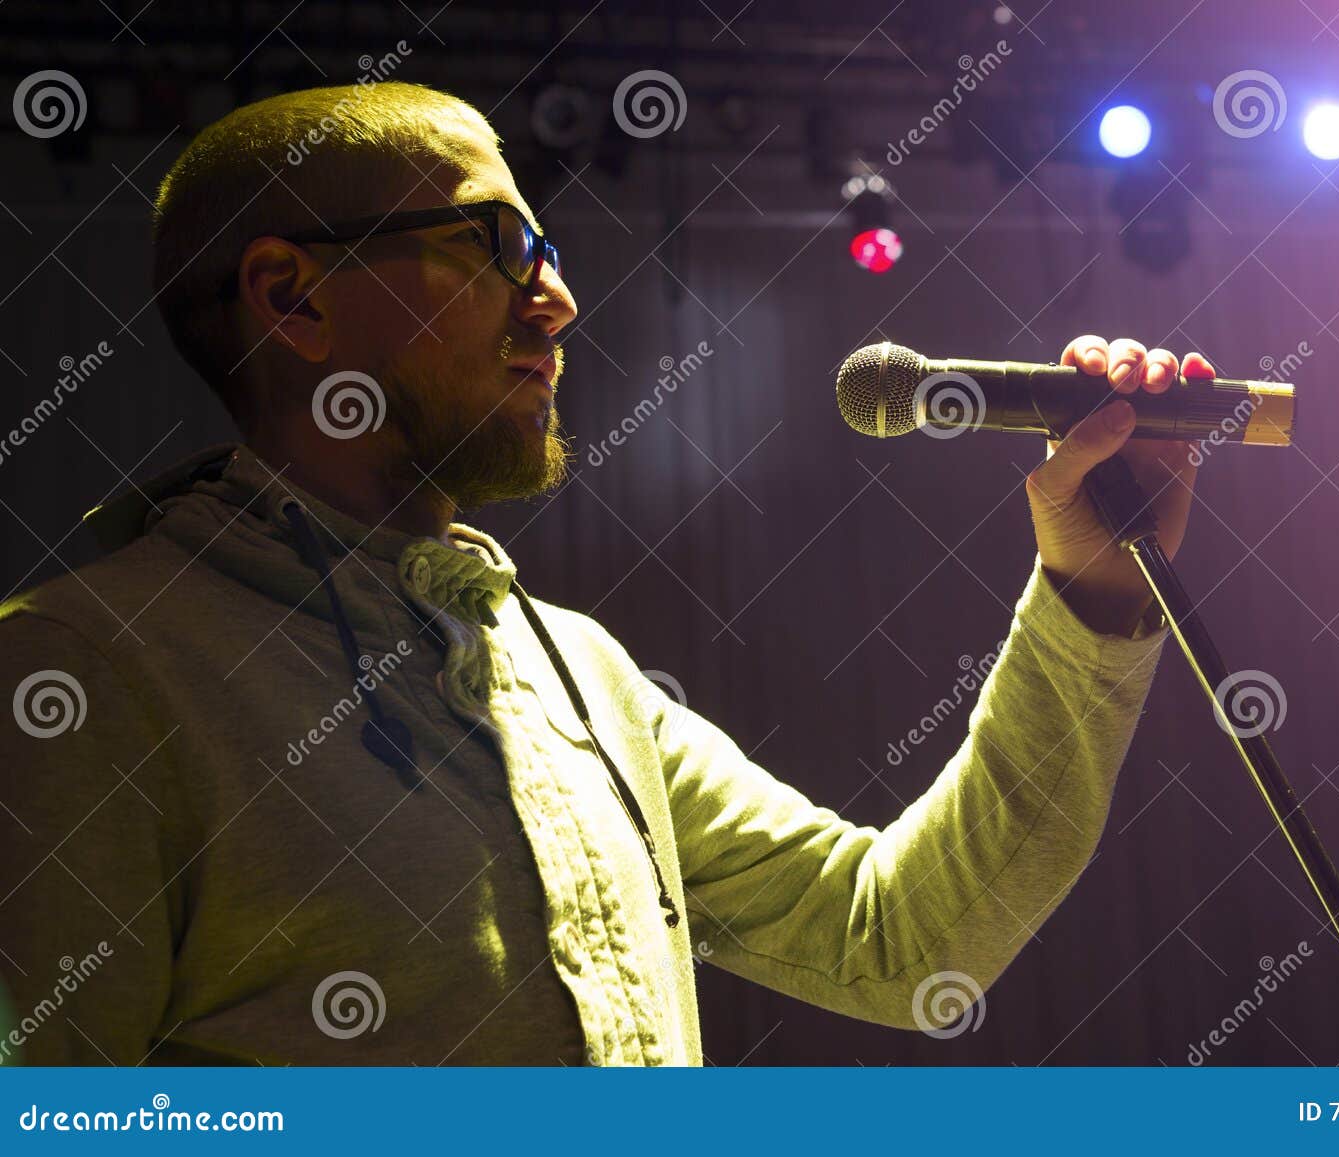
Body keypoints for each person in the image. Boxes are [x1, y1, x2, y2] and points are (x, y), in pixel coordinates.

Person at [0, 81, 1215, 1065]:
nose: (558, 301)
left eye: (551, 249)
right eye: (497, 245)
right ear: (292, 296)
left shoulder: (576, 670)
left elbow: (897, 938)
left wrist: (1090, 585)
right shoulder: (85, 669)